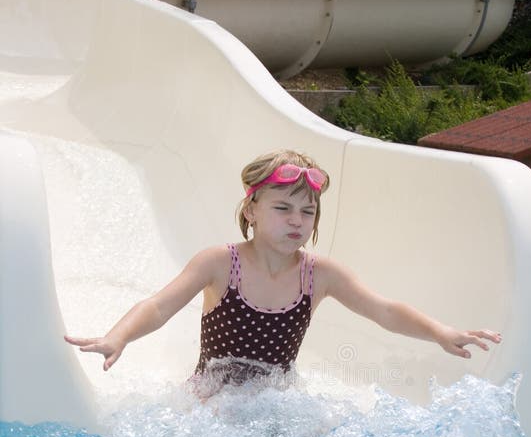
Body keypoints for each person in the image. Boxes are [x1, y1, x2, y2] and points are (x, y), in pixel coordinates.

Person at [64, 149, 501, 392]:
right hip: (213, 395)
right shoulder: (220, 264)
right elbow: (159, 306)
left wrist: (440, 332)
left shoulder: (319, 274)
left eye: (307, 212)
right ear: (251, 210)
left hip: (277, 400)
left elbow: (384, 311)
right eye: (282, 208)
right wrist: (118, 336)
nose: (297, 221)